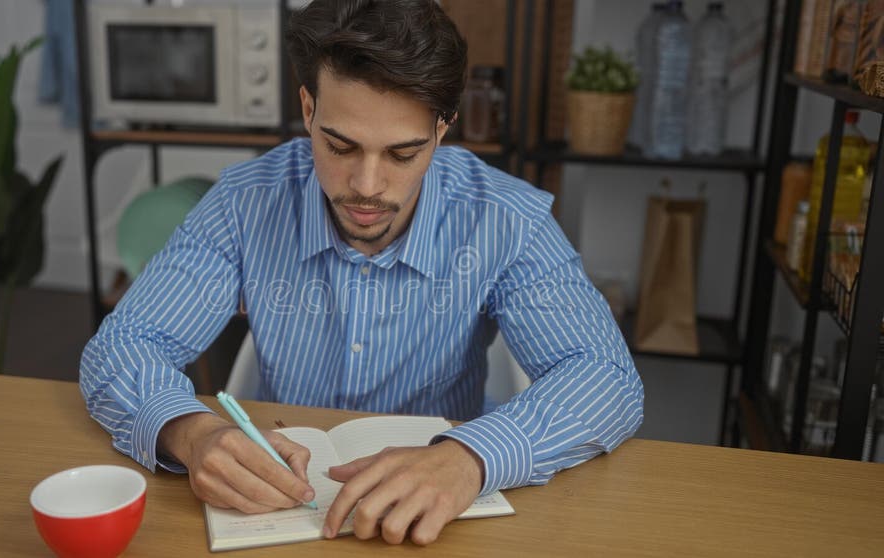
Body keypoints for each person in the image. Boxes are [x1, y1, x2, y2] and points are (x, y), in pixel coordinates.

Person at [80, 0, 643, 546]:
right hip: (280, 514)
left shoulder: (504, 219)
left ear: (443, 129)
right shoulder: (242, 205)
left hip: (435, 524)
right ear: (308, 109)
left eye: (403, 154)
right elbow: (126, 343)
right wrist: (189, 430)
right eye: (340, 145)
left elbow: (605, 379)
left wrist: (470, 457)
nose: (367, 186)